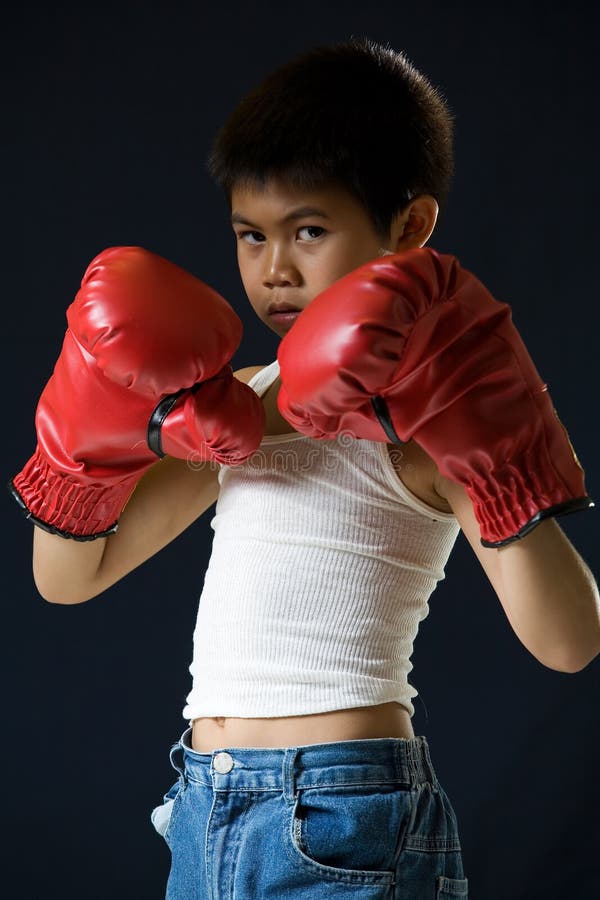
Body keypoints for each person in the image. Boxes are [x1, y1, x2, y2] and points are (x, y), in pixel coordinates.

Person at [10, 38, 598, 899]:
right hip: (202, 802)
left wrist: (499, 449)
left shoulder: (429, 419)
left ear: (410, 226)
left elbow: (570, 641)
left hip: (346, 810)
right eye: (251, 235)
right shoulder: (237, 401)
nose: (275, 270)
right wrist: (88, 439)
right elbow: (67, 578)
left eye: (310, 231)